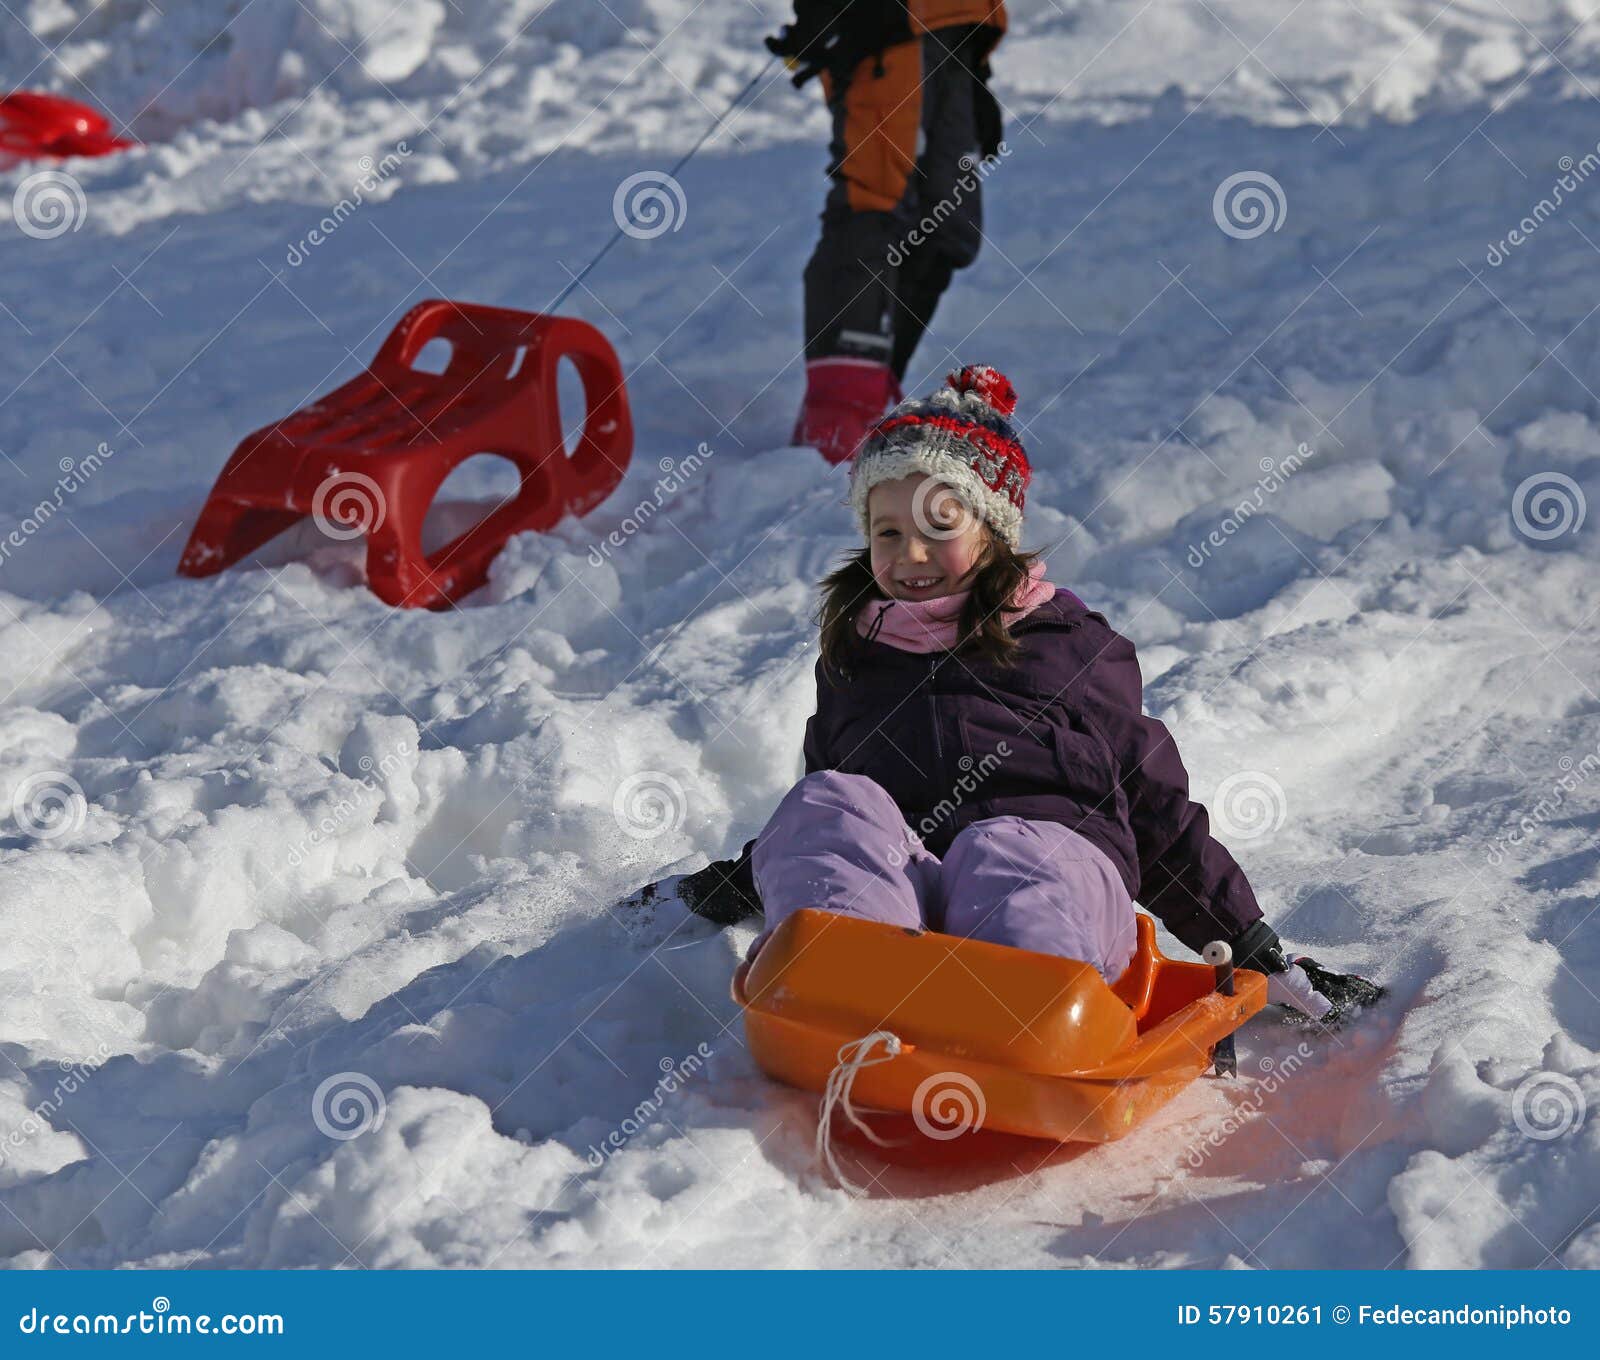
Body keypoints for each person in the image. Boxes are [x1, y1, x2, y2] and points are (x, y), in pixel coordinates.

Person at [680, 364, 1383, 1022]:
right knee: (825, 799)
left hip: (1059, 902)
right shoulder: (858, 659)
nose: (910, 554)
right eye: (887, 531)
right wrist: (743, 878)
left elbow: (1155, 813)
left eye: (938, 527)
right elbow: (844, 830)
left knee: (1003, 853)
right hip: (913, 929)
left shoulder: (1067, 646)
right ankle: (843, 989)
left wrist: (1254, 949)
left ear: (995, 531)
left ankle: (1023, 1012)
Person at [765, 2, 1009, 464]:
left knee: (949, 229)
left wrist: (975, 66)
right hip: (883, 24)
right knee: (871, 203)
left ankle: (875, 397)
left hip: (959, 25)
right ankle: (838, 419)